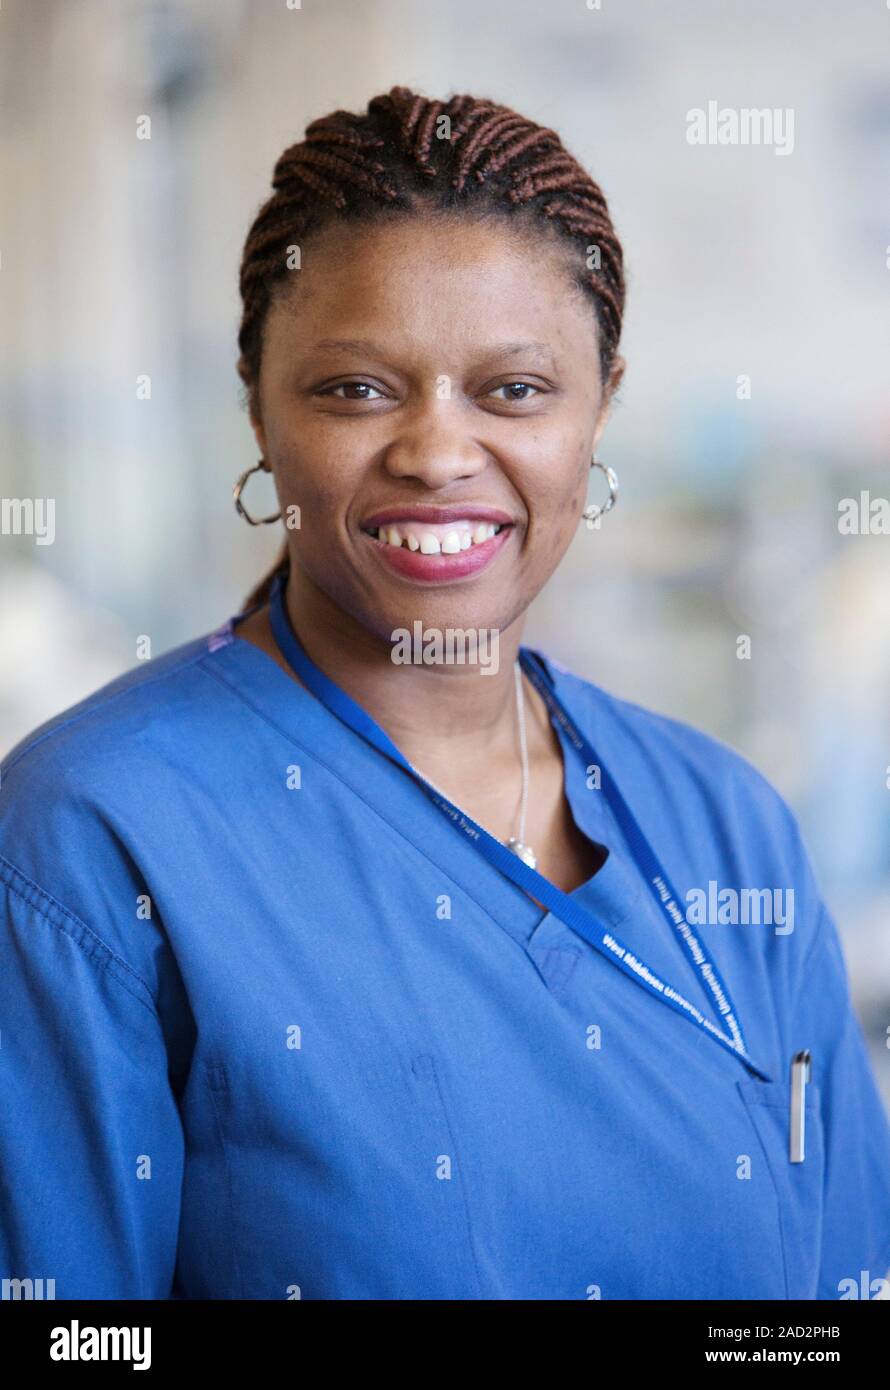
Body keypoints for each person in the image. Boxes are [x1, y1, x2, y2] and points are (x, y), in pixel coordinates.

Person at [1, 86, 889, 1302]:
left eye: (514, 390)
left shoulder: (724, 823)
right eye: (356, 389)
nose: (435, 450)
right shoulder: (94, 840)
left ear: (599, 410)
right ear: (257, 404)